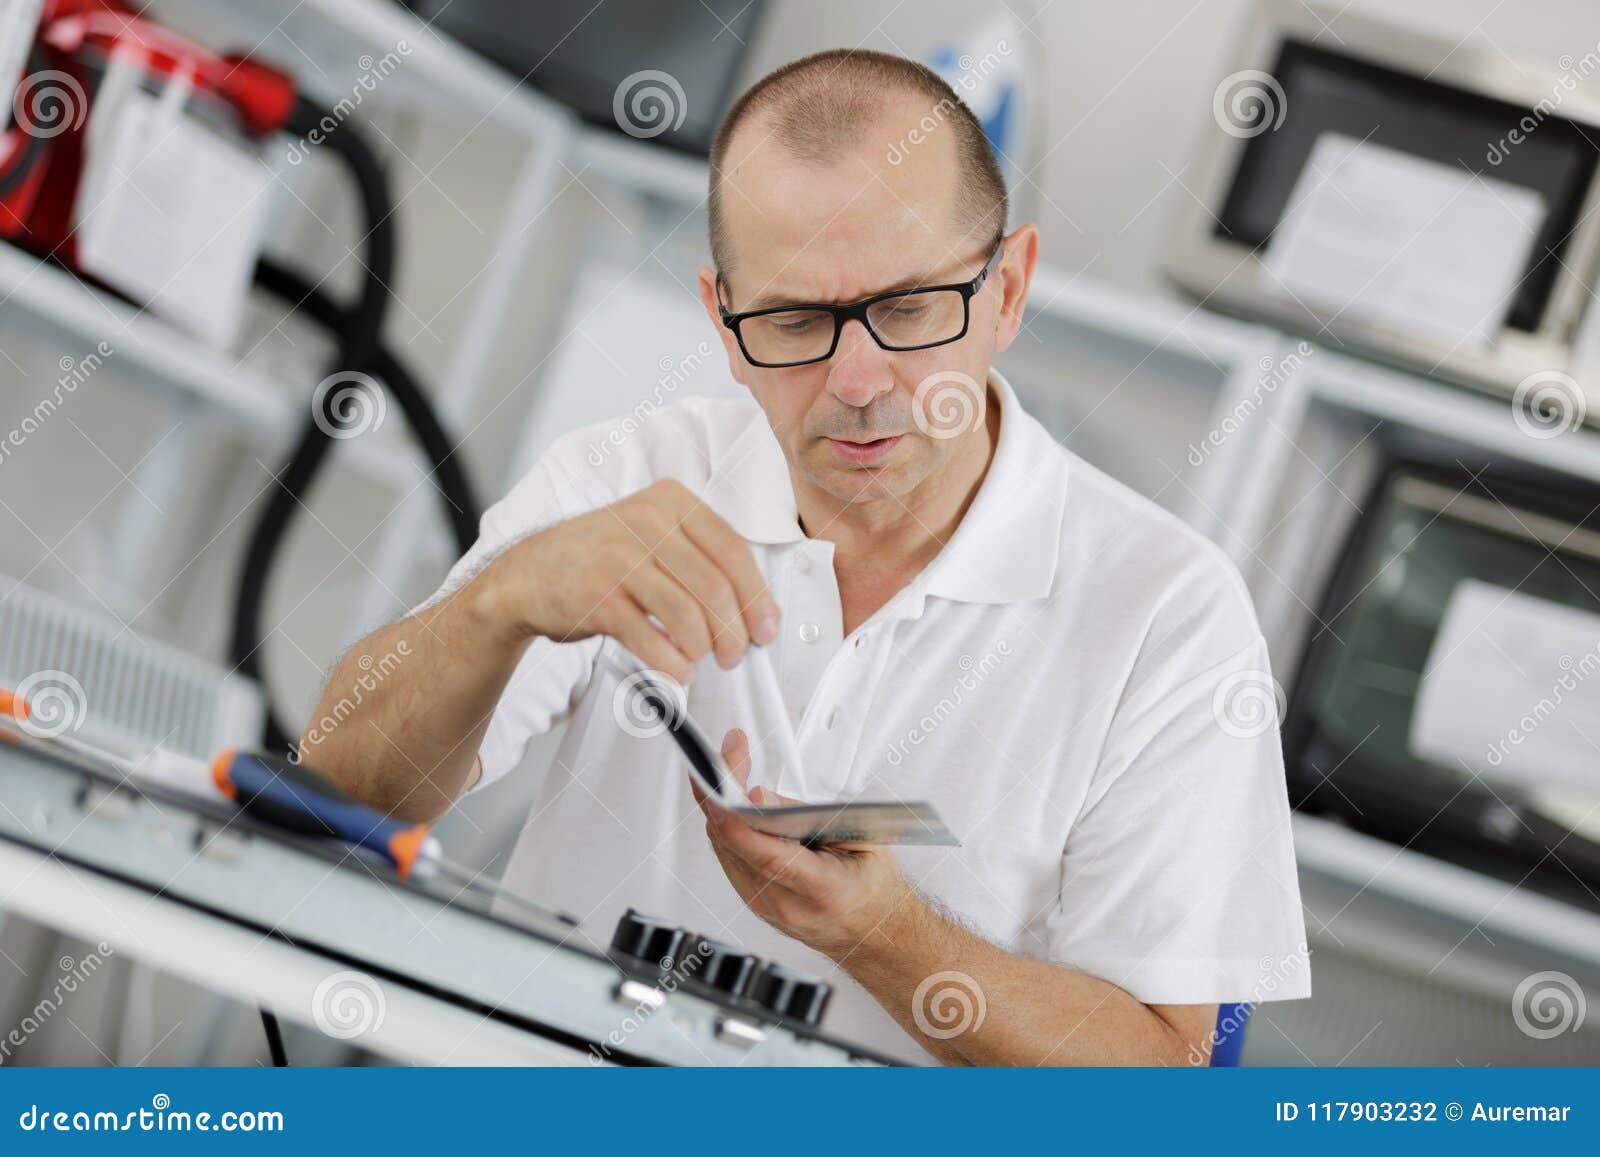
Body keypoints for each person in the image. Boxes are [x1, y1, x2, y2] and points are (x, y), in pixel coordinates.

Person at [304, 48, 1309, 1065]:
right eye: (794, 320)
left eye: (910, 308)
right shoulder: (629, 476)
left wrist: (886, 936)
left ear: (1006, 289)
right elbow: (341, 789)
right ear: (724, 321)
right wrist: (498, 606)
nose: (859, 380)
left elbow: (1171, 1082)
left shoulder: (1167, 615)